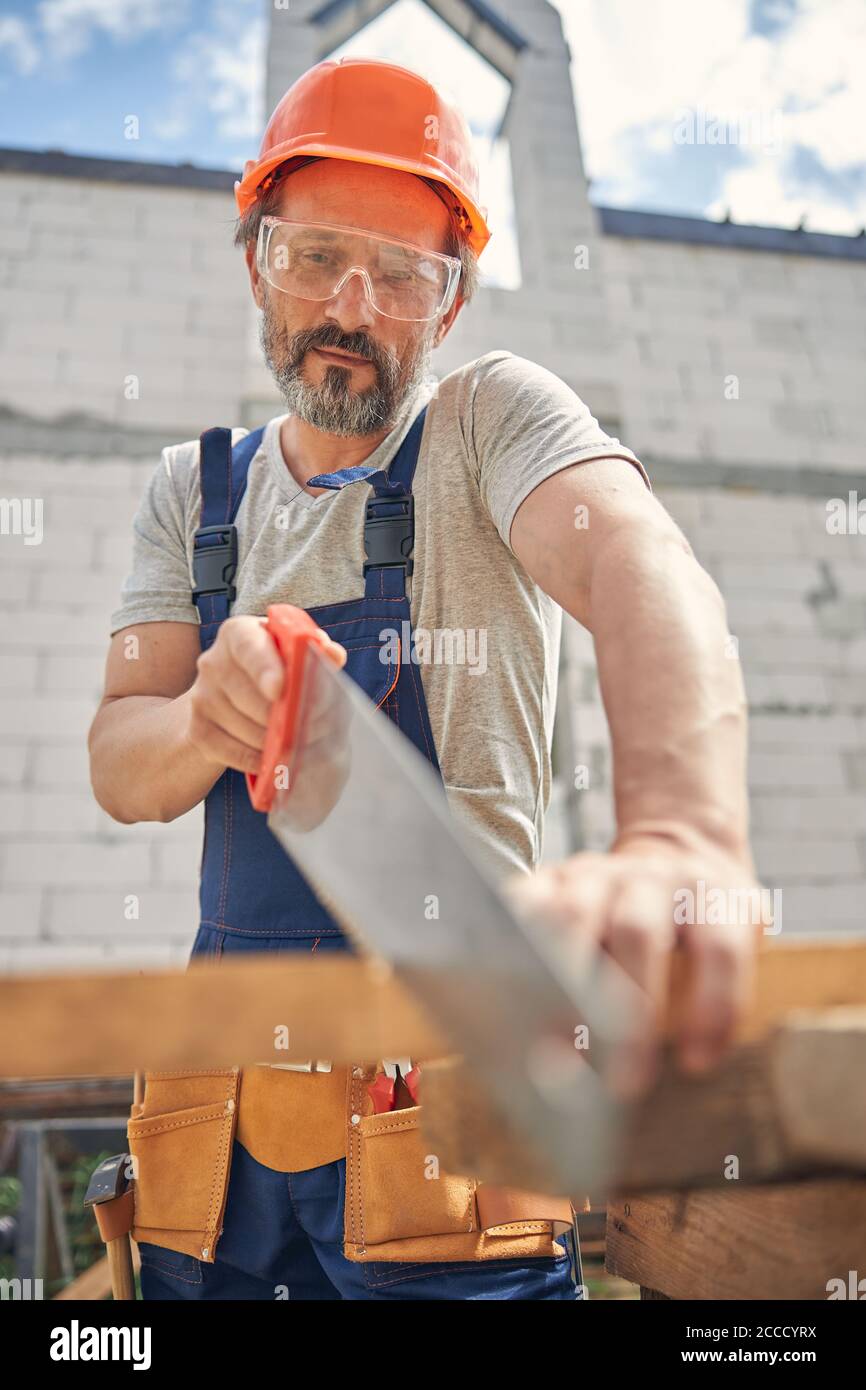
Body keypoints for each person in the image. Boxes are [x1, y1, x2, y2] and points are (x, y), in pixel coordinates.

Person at [89, 57, 760, 1301]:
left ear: (447, 306)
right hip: (214, 1146)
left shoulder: (488, 425)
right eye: (314, 258)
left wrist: (681, 829)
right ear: (255, 262)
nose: (353, 304)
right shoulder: (192, 494)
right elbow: (122, 760)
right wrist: (200, 718)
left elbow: (637, 558)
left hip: (442, 1129)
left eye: (402, 274)